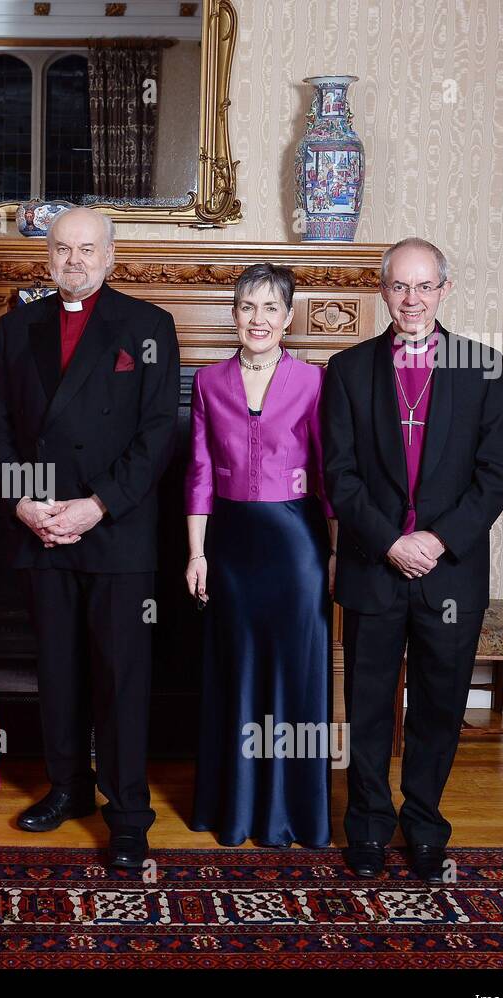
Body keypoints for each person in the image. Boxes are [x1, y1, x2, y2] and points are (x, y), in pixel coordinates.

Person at [0, 206, 180, 869]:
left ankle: (127, 812)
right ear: (47, 255)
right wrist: (25, 502)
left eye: (86, 249)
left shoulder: (149, 327)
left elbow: (157, 436)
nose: (73, 260)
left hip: (114, 529)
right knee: (57, 670)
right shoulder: (16, 329)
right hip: (40, 524)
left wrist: (98, 506)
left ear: (110, 255)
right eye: (62, 249)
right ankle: (67, 788)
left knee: (121, 677)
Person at [322, 237, 503, 883]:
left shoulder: (483, 367)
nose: (412, 300)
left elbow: (496, 475)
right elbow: (339, 477)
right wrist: (390, 543)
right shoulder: (347, 370)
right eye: (400, 287)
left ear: (444, 290)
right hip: (375, 568)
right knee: (370, 706)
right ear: (383, 292)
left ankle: (426, 823)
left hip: (450, 573)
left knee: (439, 706)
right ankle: (370, 827)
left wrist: (435, 541)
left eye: (424, 286)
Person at [184, 263, 337, 848]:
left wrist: (335, 552)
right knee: (237, 669)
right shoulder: (207, 381)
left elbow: (327, 474)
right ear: (233, 314)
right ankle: (238, 807)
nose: (258, 319)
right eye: (248, 306)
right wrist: (195, 553)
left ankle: (296, 811)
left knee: (295, 671)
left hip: (296, 541)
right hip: (230, 544)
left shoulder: (313, 381)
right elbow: (198, 472)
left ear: (289, 316)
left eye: (271, 307)